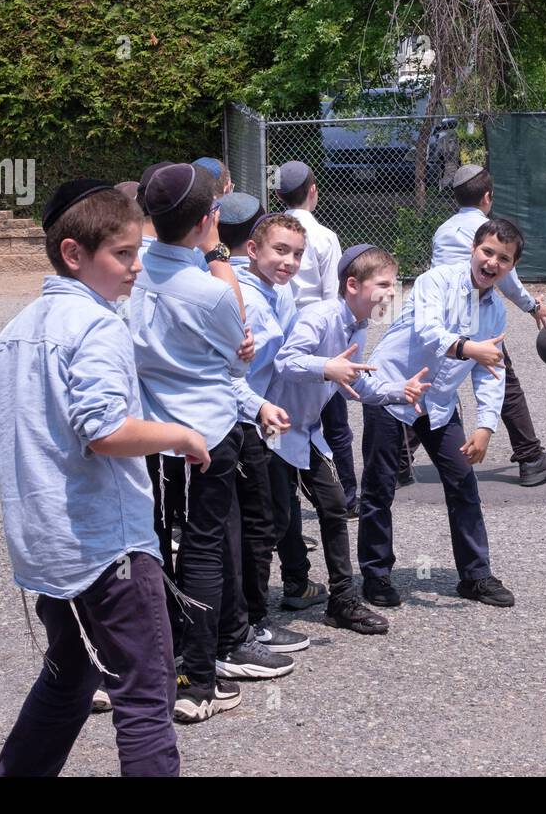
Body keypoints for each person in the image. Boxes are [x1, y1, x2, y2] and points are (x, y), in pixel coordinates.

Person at [0, 179, 209, 776]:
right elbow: (103, 431)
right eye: (123, 255)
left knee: (71, 675)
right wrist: (179, 435)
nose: (135, 267)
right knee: (145, 692)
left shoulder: (15, 328)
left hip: (46, 545)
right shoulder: (98, 325)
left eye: (137, 252)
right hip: (110, 546)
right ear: (74, 253)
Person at [129, 164, 294, 725]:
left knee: (153, 544)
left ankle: (159, 660)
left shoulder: (131, 271)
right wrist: (218, 254)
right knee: (203, 550)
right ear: (208, 220)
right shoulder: (210, 291)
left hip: (149, 434)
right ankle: (198, 678)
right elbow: (235, 358)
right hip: (207, 433)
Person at [358, 218, 523, 610]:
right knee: (380, 486)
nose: (492, 262)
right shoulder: (437, 281)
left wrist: (485, 426)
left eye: (504, 259)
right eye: (487, 252)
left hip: (438, 402)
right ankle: (376, 574)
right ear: (473, 249)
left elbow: (491, 371)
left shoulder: (496, 310)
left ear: (511, 267)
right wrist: (469, 348)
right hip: (392, 389)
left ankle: (475, 576)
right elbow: (428, 332)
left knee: (464, 482)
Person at [269, 243, 431, 633]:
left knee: (333, 506)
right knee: (273, 521)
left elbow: (354, 382)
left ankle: (342, 601)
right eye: (385, 284)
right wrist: (328, 366)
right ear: (353, 285)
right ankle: (249, 615)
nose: (393, 293)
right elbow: (286, 362)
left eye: (395, 285)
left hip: (304, 430)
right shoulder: (321, 316)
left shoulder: (356, 325)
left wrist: (399, 391)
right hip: (272, 427)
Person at [424, 164, 546, 486]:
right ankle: (530, 457)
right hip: (475, 315)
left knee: (428, 380)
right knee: (502, 378)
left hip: (442, 316)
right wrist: (535, 308)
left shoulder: (443, 229)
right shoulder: (489, 231)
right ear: (488, 197)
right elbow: (508, 281)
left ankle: (399, 461)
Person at [218, 194, 314, 648]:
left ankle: (248, 613)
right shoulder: (246, 301)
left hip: (266, 418)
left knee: (271, 515)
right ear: (252, 249)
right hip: (246, 420)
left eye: (297, 254)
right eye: (280, 251)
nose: (290, 262)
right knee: (258, 525)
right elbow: (231, 375)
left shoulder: (273, 292)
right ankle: (248, 623)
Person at [276, 159, 360, 516]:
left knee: (281, 415)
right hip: (318, 335)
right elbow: (333, 295)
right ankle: (347, 496)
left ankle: (286, 492)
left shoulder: (269, 230)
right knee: (334, 419)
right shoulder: (325, 236)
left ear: (278, 195)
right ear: (313, 191)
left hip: (280, 332)